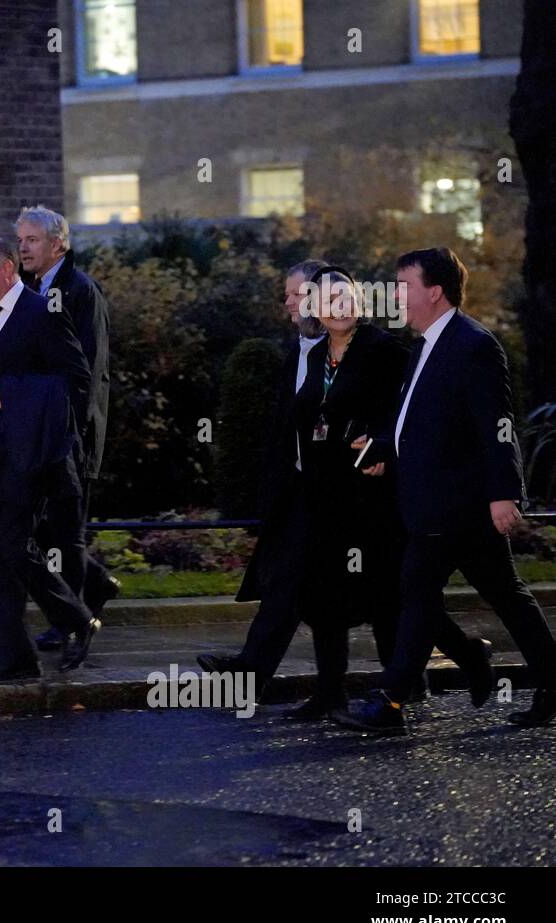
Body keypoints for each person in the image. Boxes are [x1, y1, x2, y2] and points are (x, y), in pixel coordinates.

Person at [336, 247, 554, 735]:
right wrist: (380, 449)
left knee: (416, 591)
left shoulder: (473, 344)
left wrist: (505, 492)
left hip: (454, 502)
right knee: (505, 594)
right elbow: (414, 419)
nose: (396, 296)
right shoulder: (427, 344)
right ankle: (548, 680)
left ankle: (390, 702)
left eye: (404, 287)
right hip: (441, 501)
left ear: (433, 291)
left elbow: (497, 424)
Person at [287, 267, 484, 719]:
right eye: (328, 298)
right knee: (322, 593)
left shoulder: (384, 351)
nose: (338, 305)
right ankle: (329, 691)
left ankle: (465, 656)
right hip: (323, 494)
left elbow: (410, 412)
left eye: (347, 297)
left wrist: (380, 441)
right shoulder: (317, 358)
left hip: (371, 494)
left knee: (388, 593)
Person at [0, 237, 99, 679]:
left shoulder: (43, 314)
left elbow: (77, 381)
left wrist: (14, 394)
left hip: (35, 456)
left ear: (7, 269)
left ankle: (75, 619)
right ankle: (15, 657)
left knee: (15, 549)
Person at [196, 260, 330, 693]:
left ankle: (436, 663)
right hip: (299, 492)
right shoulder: (297, 350)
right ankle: (253, 674)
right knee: (289, 583)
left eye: (294, 294)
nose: (286, 302)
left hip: (335, 492)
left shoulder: (346, 352)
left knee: (379, 592)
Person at [13, 205, 120, 653]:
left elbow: (88, 371)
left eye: (31, 240)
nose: (22, 248)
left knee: (66, 532)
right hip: (43, 435)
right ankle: (95, 585)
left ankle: (70, 620)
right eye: (19, 241)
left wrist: (68, 433)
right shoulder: (33, 289)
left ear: (58, 243)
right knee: (36, 529)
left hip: (70, 435)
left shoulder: (80, 290)